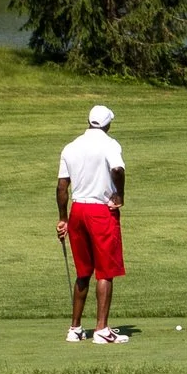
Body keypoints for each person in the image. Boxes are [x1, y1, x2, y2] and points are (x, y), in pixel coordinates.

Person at [57, 104, 129, 344]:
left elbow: (62, 187)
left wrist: (63, 218)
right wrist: (120, 194)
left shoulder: (71, 146)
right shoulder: (110, 144)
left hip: (77, 210)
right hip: (100, 211)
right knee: (105, 271)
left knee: (83, 271)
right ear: (108, 124)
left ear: (89, 121)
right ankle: (101, 329)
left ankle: (75, 328)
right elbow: (117, 169)